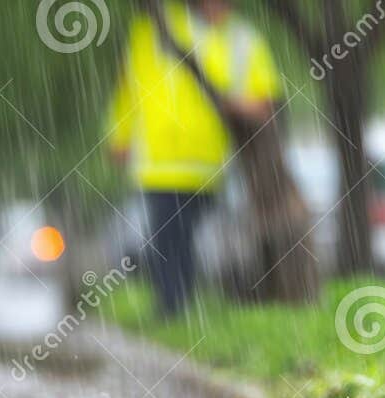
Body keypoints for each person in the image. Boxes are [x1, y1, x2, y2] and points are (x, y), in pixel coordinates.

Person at [106, 0, 282, 317]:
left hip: (209, 165)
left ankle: (182, 309)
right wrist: (120, 135)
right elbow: (128, 87)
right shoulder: (157, 28)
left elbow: (265, 103)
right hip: (159, 163)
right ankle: (174, 309)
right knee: (170, 238)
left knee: (186, 240)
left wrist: (234, 104)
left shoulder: (244, 40)